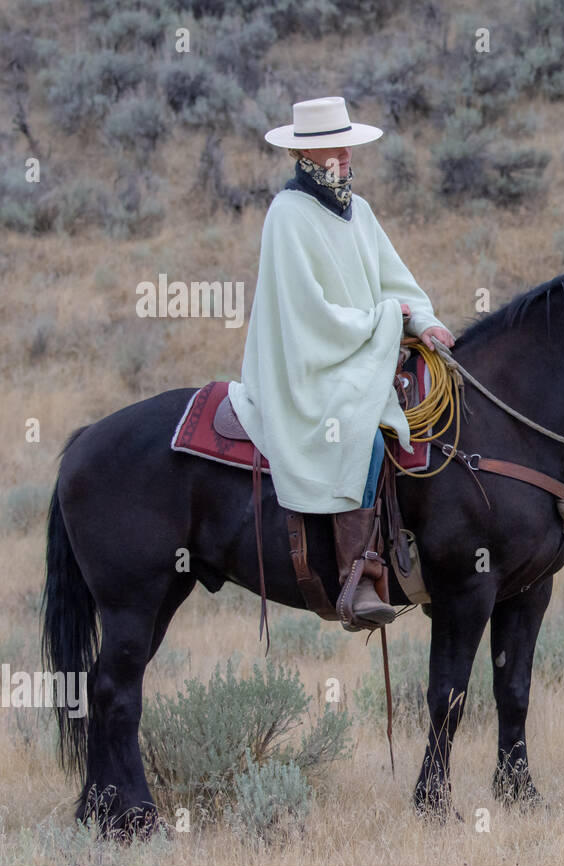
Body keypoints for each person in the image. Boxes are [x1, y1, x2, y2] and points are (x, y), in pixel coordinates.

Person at [227, 96, 455, 630]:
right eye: (335, 146)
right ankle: (360, 575)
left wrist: (423, 322)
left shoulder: (360, 212)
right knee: (363, 433)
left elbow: (398, 283)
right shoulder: (287, 215)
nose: (347, 153)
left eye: (348, 144)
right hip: (311, 367)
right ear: (305, 154)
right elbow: (308, 315)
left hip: (361, 354)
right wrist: (386, 320)